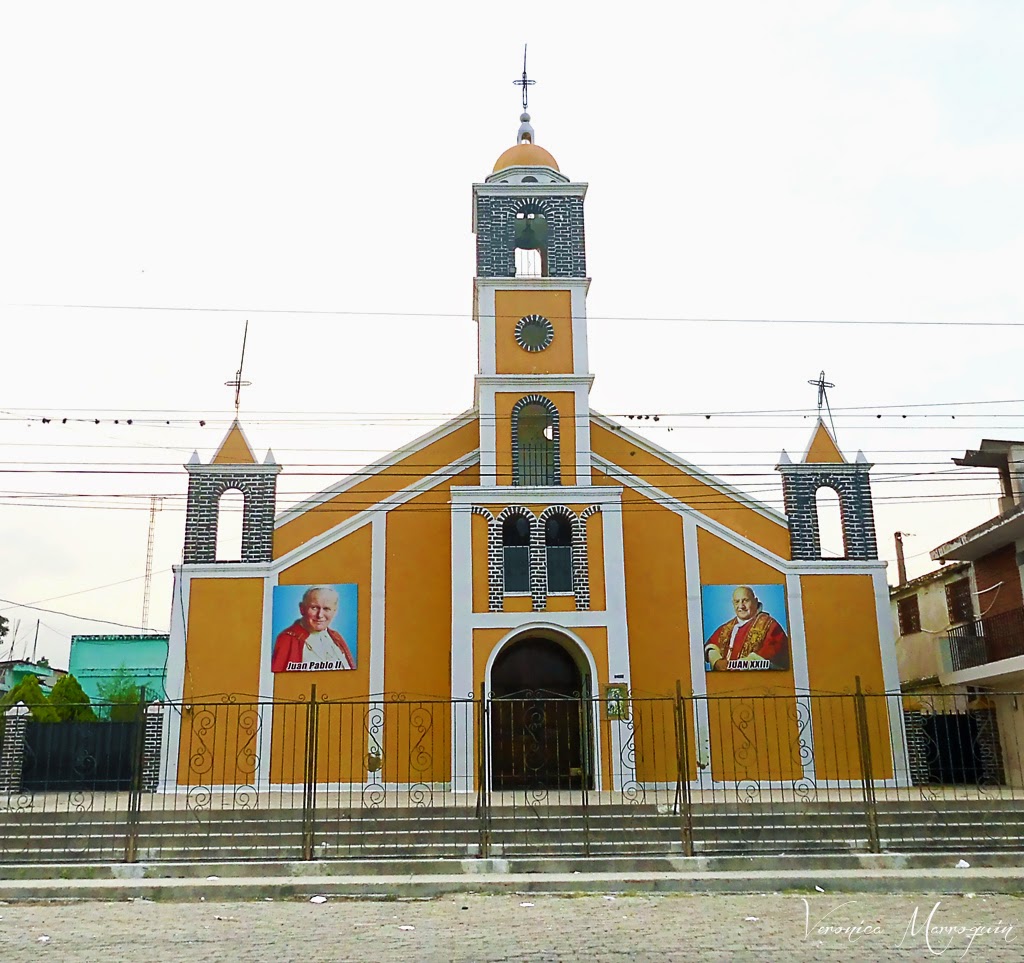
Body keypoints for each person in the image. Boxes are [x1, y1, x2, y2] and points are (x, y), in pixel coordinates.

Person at [704, 585, 788, 671]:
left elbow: (776, 653)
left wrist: (741, 665)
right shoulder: (727, 627)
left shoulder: (770, 625)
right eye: (737, 602)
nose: (741, 606)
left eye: (745, 600)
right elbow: (711, 645)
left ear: (755, 601)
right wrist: (716, 661)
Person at [272, 585, 355, 672]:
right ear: (302, 609)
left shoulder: (336, 637)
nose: (320, 615)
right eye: (314, 608)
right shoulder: (287, 639)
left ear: (334, 611)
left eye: (326, 609)